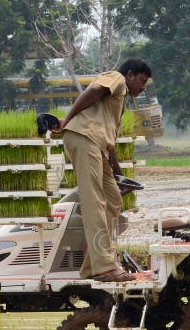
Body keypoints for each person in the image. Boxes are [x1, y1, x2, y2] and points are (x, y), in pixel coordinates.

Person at [54, 58, 151, 283]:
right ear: (130, 75)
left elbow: (110, 143)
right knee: (94, 200)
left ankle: (91, 265)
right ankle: (104, 266)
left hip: (96, 144)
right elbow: (94, 91)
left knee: (113, 200)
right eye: (142, 81)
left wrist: (119, 174)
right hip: (83, 137)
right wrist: (67, 120)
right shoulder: (116, 78)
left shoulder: (118, 102)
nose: (143, 87)